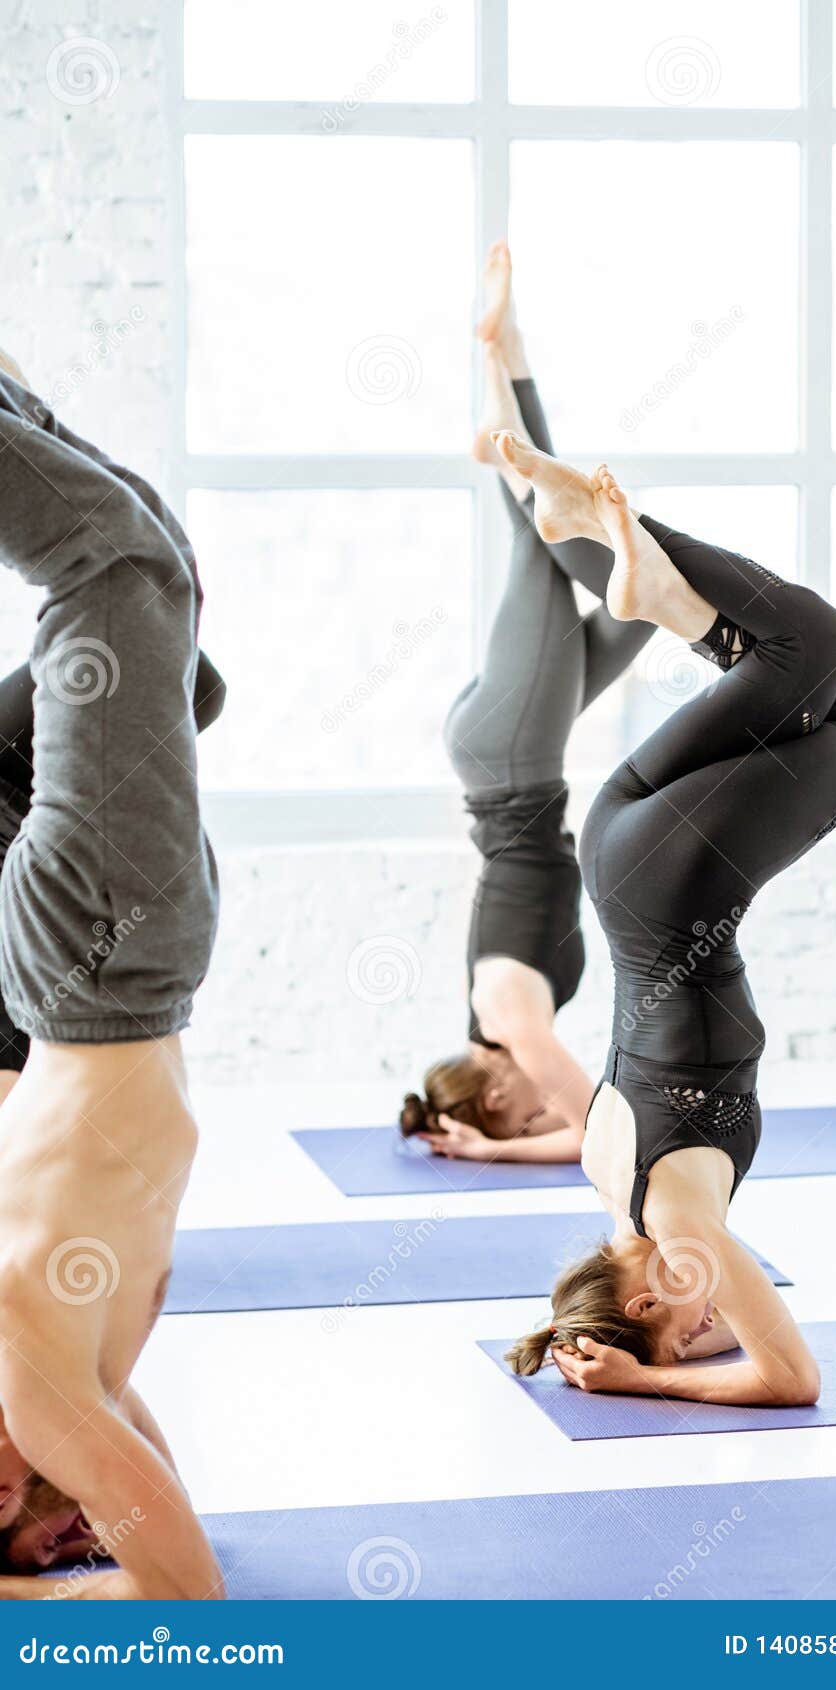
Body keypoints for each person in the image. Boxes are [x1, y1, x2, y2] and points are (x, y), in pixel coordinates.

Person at [499, 444, 836, 1404]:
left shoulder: (683, 1230)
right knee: (823, 688)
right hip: (617, 849)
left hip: (679, 882)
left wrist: (646, 1383)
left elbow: (791, 1381)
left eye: (681, 1340)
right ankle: (624, 558)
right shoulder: (608, 1176)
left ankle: (639, 571)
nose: (707, 1331)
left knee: (824, 663)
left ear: (644, 1305)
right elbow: (544, 1068)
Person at [0, 359, 224, 1597]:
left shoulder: (37, 1381)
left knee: (116, 574)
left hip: (97, 964)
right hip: (112, 964)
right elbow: (180, 1569)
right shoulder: (74, 1387)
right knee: (153, 580)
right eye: (53, 1538)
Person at [399, 244, 654, 1164]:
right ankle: (508, 368)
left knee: (540, 532)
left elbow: (599, 1133)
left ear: (497, 1087)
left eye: (516, 1112)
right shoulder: (497, 1021)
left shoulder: (510, 1017)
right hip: (517, 750)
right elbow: (573, 1117)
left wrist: (488, 1153)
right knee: (644, 597)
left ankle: (501, 378)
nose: (532, 1112)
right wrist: (480, 1138)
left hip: (511, 755)